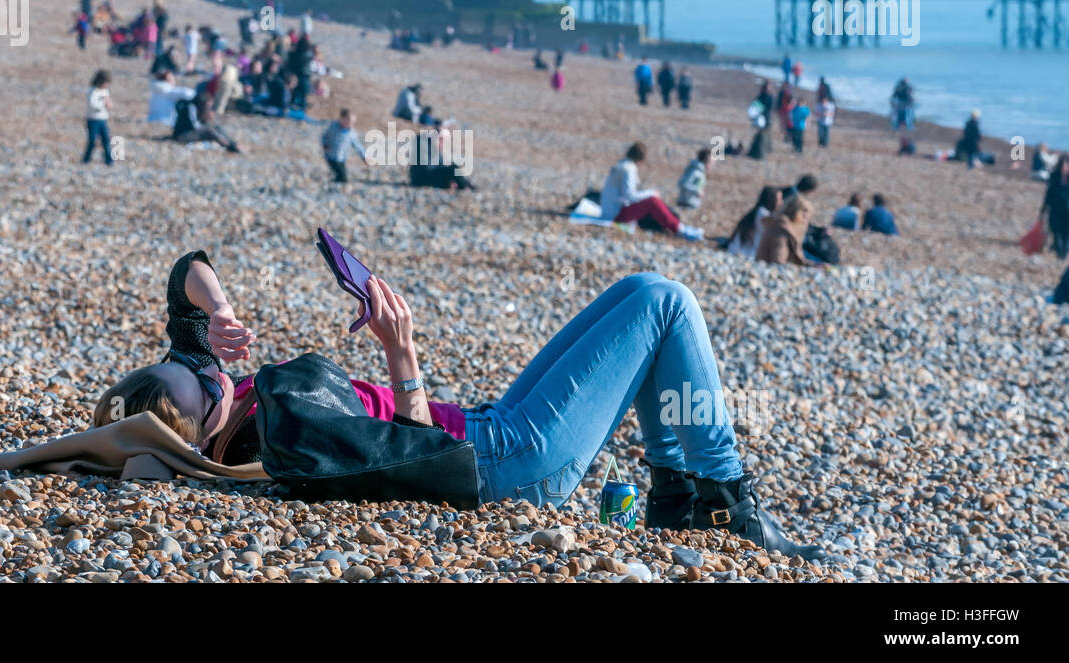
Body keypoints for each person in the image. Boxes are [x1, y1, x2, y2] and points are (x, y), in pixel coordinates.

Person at [90, 250, 824, 556]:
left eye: (203, 367)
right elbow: (410, 469)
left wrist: (213, 308)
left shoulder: (211, 386)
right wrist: (401, 356)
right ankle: (722, 495)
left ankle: (677, 496)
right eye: (206, 388)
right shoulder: (278, 436)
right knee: (666, 302)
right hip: (503, 465)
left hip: (488, 427)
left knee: (641, 287)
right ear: (196, 433)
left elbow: (187, 270)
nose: (216, 374)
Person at [599, 143, 703, 241]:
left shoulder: (621, 164)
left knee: (651, 201)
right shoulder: (629, 169)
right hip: (615, 215)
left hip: (608, 212)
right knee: (653, 202)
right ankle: (681, 230)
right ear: (640, 159)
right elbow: (630, 196)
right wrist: (651, 193)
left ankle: (679, 226)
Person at [756, 195, 814, 266]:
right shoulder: (781, 229)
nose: (806, 219)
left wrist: (814, 265)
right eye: (804, 214)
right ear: (794, 211)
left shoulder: (786, 228)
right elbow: (777, 260)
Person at [725, 187, 781, 258]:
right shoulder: (762, 213)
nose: (781, 202)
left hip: (739, 249)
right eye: (779, 199)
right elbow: (771, 225)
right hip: (744, 252)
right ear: (772, 200)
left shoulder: (758, 211)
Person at [321, 109, 369, 183]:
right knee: (342, 176)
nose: (351, 124)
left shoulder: (351, 134)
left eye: (353, 122)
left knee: (342, 175)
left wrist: (364, 156)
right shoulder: (334, 127)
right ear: (341, 119)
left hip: (341, 158)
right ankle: (334, 183)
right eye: (349, 120)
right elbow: (324, 136)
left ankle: (335, 182)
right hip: (330, 156)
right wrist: (325, 144)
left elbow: (358, 145)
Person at [83, 70, 113, 165]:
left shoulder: (105, 91)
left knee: (106, 140)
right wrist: (103, 104)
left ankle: (109, 161)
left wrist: (109, 104)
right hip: (93, 120)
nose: (106, 84)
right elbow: (93, 105)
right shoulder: (93, 91)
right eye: (105, 82)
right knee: (92, 141)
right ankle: (86, 160)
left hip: (103, 120)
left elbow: (109, 104)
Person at [1042, 158, 1069, 259]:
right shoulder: (1054, 177)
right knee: (1056, 234)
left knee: (1066, 237)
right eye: (1063, 165)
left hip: (1067, 213)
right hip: (1056, 212)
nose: (1064, 168)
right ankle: (1059, 253)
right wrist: (1043, 210)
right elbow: (1048, 195)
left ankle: (1062, 255)